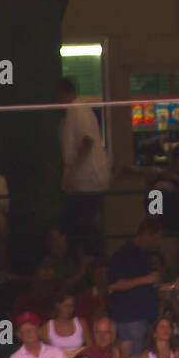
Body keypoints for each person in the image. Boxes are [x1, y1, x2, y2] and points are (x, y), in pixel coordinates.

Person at [58, 77, 111, 255]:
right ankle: (90, 263)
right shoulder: (80, 110)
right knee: (83, 224)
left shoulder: (77, 110)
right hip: (88, 179)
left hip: (88, 180)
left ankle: (93, 263)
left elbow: (86, 141)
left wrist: (72, 168)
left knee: (84, 225)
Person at [109, 218, 163, 355]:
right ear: (146, 234)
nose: (157, 243)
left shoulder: (147, 255)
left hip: (147, 315)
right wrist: (144, 279)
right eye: (155, 239)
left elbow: (151, 284)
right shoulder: (123, 255)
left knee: (146, 356)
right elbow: (114, 285)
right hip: (131, 316)